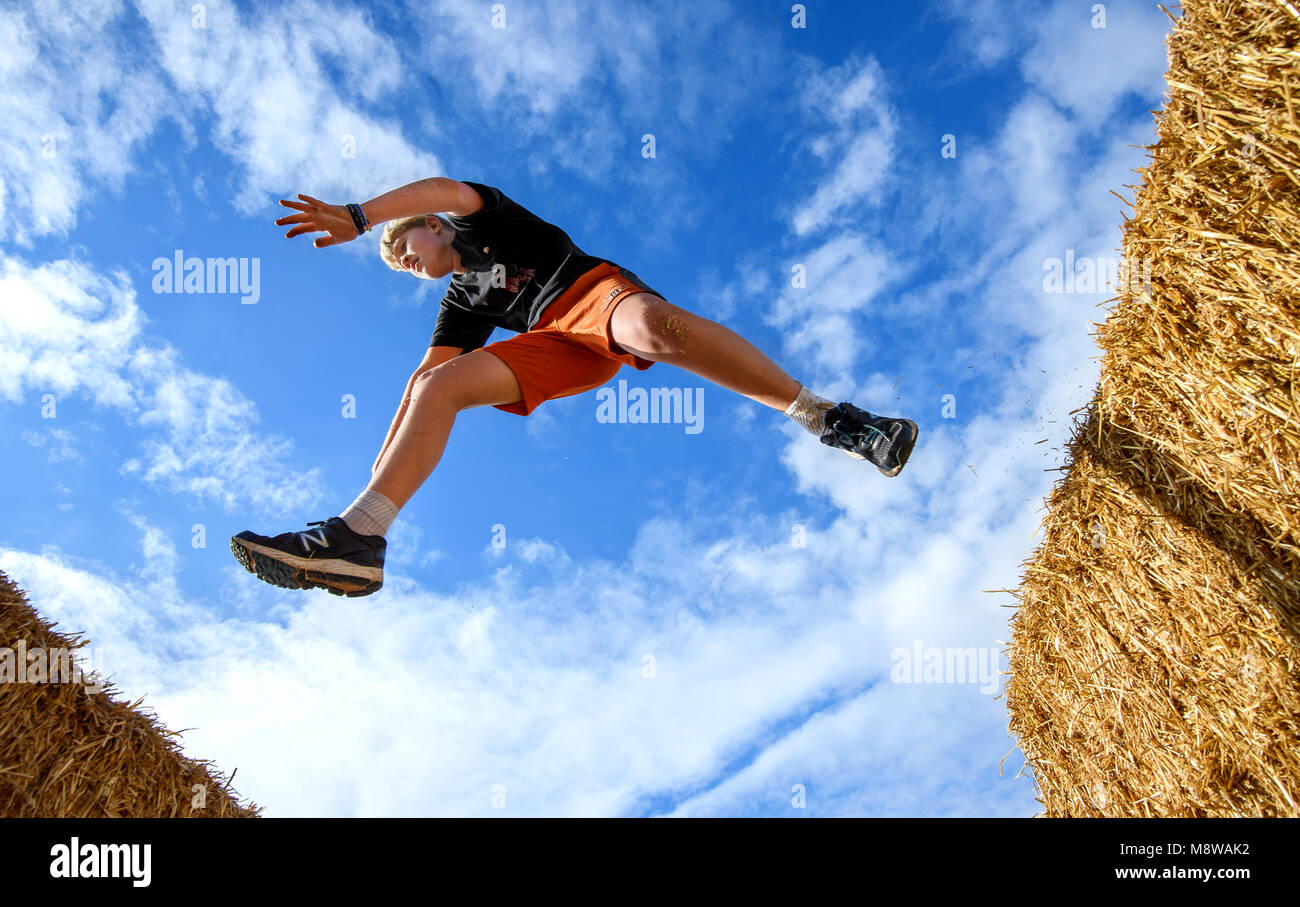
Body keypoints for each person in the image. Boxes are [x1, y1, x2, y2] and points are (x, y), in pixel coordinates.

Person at [230, 177, 918, 597]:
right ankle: (360, 536)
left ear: (434, 228)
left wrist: (362, 215)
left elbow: (439, 183)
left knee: (652, 325)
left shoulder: (481, 216)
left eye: (409, 252)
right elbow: (420, 382)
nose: (410, 266)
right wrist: (377, 472)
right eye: (403, 268)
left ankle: (827, 417)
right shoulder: (464, 301)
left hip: (596, 299)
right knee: (439, 384)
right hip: (557, 347)